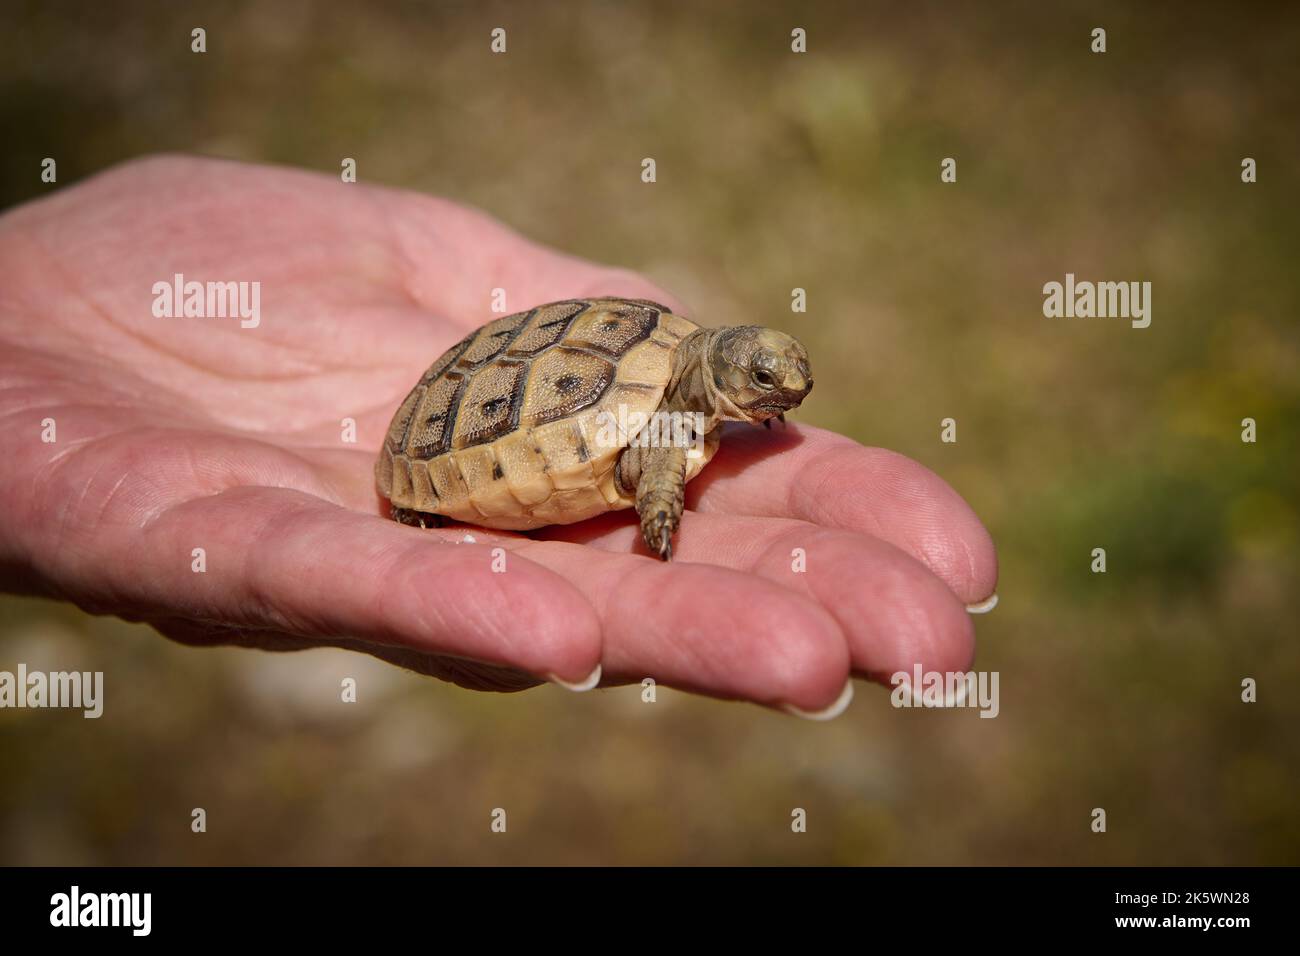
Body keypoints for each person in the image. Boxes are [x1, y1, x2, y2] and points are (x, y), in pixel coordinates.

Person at [0, 156, 997, 718]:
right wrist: (658, 507)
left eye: (785, 379)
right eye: (765, 378)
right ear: (720, 372)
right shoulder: (665, 410)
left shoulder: (693, 378)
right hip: (456, 440)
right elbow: (652, 453)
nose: (785, 390)